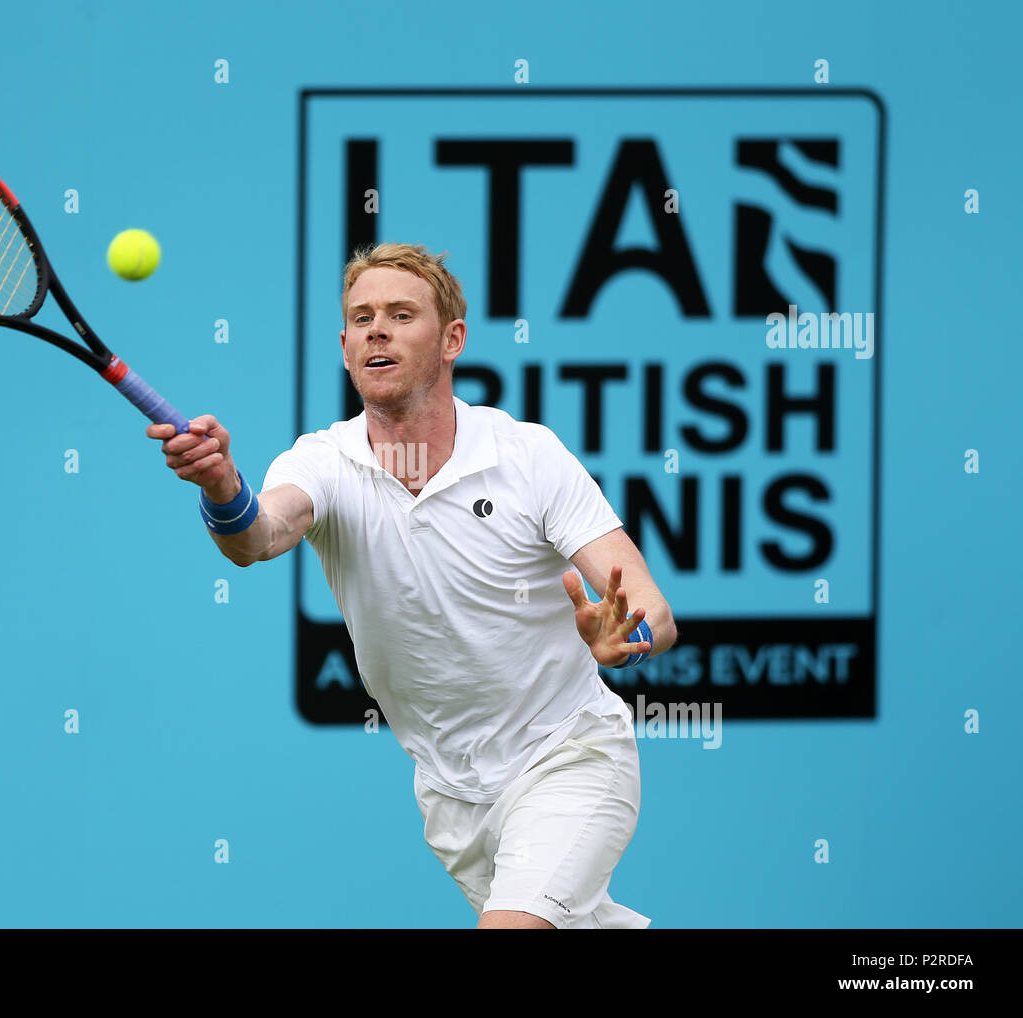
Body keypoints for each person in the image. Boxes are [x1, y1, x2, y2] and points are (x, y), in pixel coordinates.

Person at [148, 243, 678, 929]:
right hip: (452, 798)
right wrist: (223, 486)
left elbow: (648, 608)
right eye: (362, 318)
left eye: (402, 314)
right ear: (344, 347)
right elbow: (257, 538)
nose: (378, 330)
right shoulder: (323, 461)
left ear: (452, 339)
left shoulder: (528, 456)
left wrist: (629, 635)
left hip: (569, 755)